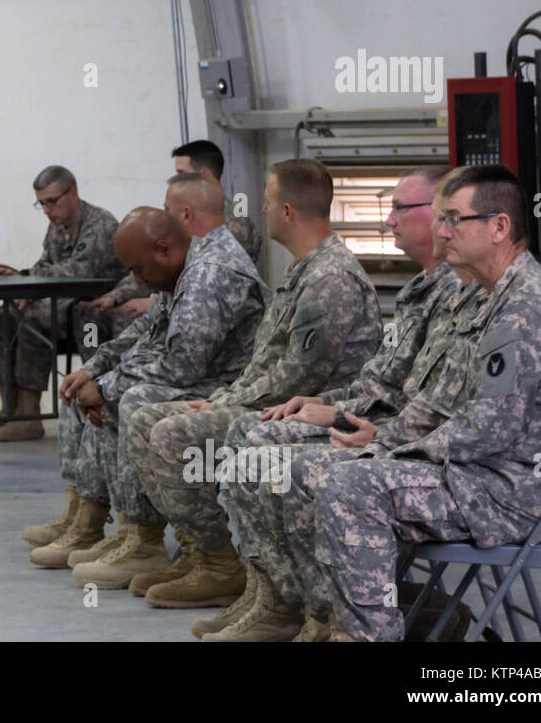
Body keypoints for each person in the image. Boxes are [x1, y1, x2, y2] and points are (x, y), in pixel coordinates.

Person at [206, 166, 488, 641]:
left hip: (445, 462)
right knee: (251, 445)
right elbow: (388, 384)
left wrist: (346, 417)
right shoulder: (426, 290)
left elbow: (433, 410)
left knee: (281, 461)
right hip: (390, 428)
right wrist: (330, 404)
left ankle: (333, 615)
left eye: (403, 209)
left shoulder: (468, 296)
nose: (389, 221)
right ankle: (288, 601)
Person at [314, 164, 541, 641]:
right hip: (483, 474)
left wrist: (390, 449)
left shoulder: (527, 307)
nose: (441, 233)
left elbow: (488, 428)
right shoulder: (491, 297)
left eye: (454, 219)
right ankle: (354, 624)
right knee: (331, 471)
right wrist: (385, 441)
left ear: (499, 226)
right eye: (440, 219)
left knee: (352, 486)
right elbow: (452, 409)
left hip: (515, 492)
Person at [130, 159, 382, 608]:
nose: (259, 213)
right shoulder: (302, 270)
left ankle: (223, 564)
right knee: (145, 418)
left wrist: (219, 405)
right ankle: (203, 553)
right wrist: (221, 399)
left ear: (287, 211)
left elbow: (298, 377)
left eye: (266, 204)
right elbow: (263, 363)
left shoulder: (329, 278)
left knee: (173, 434)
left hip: (308, 414)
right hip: (273, 402)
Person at [28, 196, 265, 588]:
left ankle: (145, 538)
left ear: (164, 249)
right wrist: (94, 368)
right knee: (82, 390)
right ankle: (92, 519)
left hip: (227, 386)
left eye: (138, 269)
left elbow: (183, 364)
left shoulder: (209, 274)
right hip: (199, 377)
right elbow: (146, 331)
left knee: (132, 398)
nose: (135, 281)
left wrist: (106, 388)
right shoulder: (180, 268)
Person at [74, 140, 261, 358]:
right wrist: (115, 296)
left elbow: (219, 286)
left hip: (205, 319)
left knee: (129, 320)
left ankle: (117, 380)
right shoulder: (177, 217)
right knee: (91, 315)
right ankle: (96, 375)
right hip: (169, 300)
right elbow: (150, 265)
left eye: (181, 174)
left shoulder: (232, 225)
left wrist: (154, 301)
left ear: (205, 174)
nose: (174, 180)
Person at [0, 166, 124, 441]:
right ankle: (9, 407)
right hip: (61, 299)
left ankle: (30, 415)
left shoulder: (100, 224)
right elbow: (46, 264)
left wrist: (26, 278)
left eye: (51, 201)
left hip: (93, 306)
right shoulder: (57, 226)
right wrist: (26, 286)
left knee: (32, 318)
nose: (46, 209)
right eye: (41, 203)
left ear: (73, 194)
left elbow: (80, 274)